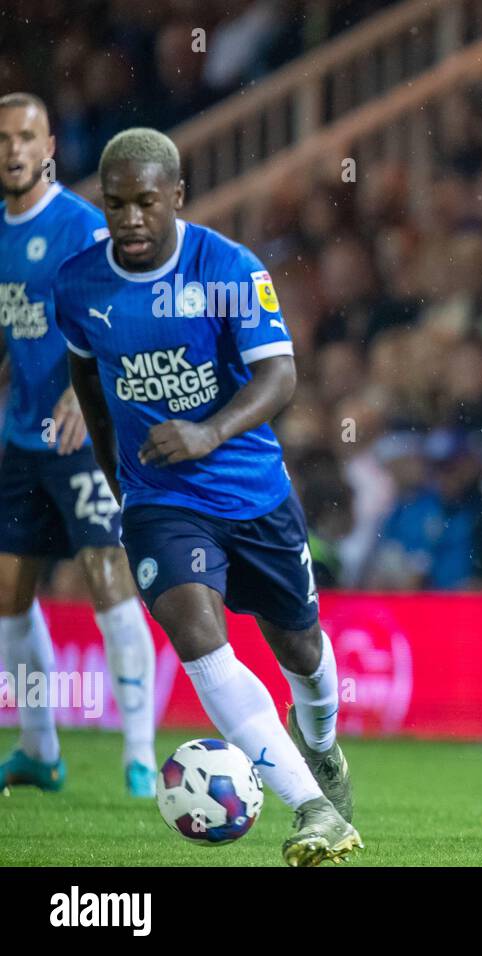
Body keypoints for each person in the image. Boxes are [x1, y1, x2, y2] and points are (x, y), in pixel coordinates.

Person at [54, 127, 360, 865]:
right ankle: (315, 810)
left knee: (301, 647)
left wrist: (207, 432)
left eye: (146, 202)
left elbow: (279, 376)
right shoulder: (78, 284)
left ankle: (322, 750)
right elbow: (90, 385)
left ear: (178, 197)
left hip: (254, 495)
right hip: (160, 502)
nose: (129, 218)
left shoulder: (228, 268)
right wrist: (120, 476)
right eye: (115, 203)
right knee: (196, 630)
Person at [0, 92, 157, 797]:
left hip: (80, 437)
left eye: (25, 137)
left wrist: (78, 390)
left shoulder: (79, 227)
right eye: (3, 139)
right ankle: (40, 748)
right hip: (21, 440)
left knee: (106, 576)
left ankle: (141, 754)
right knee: (8, 592)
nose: (13, 150)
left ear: (50, 145)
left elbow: (117, 312)